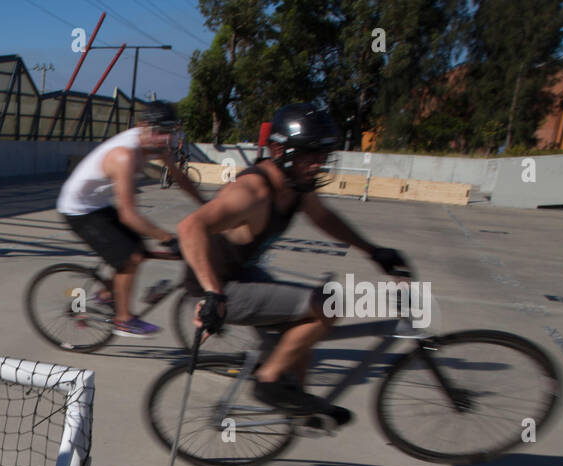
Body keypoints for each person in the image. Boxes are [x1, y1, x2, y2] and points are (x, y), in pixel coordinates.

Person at [177, 103, 410, 417]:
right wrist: (212, 293)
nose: (317, 165)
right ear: (279, 150)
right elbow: (190, 227)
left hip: (244, 274)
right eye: (309, 156)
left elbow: (324, 217)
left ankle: (297, 407)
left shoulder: (296, 186)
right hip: (221, 287)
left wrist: (372, 250)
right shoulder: (252, 192)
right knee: (328, 306)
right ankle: (269, 380)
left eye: (322, 157)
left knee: (304, 326)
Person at [56, 101, 204, 335]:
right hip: (78, 209)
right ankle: (123, 320)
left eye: (169, 133)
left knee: (140, 249)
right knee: (130, 257)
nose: (164, 139)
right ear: (143, 127)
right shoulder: (124, 155)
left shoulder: (156, 145)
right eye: (159, 132)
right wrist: (168, 238)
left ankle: (106, 295)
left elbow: (180, 178)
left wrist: (207, 205)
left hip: (98, 204)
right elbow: (129, 215)